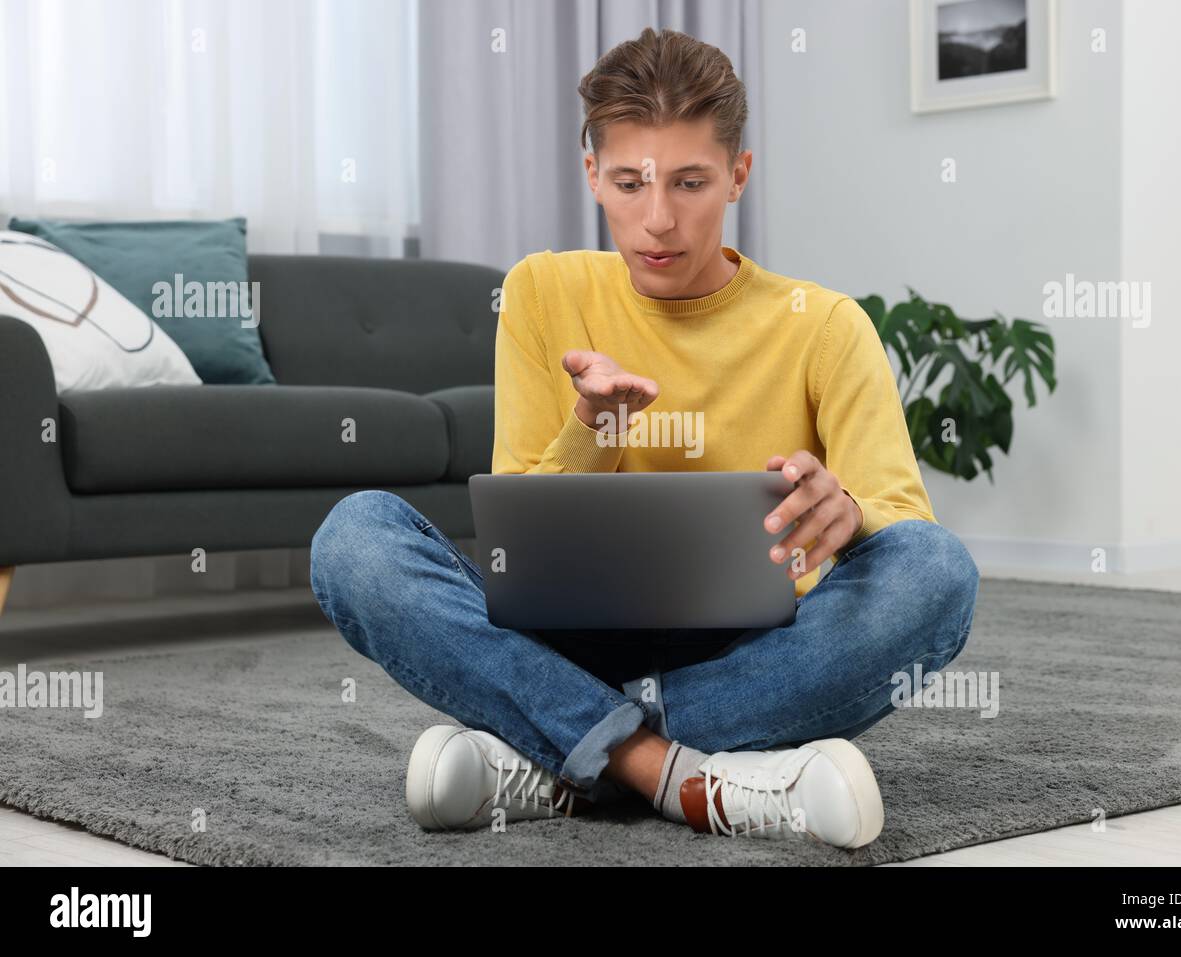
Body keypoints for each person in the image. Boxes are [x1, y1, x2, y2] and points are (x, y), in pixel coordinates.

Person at [310, 27, 978, 850]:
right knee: (355, 539)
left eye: (691, 182)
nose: (658, 220)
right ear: (593, 174)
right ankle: (687, 775)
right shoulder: (541, 288)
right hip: (564, 633)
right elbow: (518, 531)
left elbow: (906, 524)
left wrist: (845, 509)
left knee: (938, 575)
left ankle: (561, 756)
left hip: (753, 644)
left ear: (739, 173)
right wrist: (594, 428)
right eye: (629, 182)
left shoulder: (828, 326)